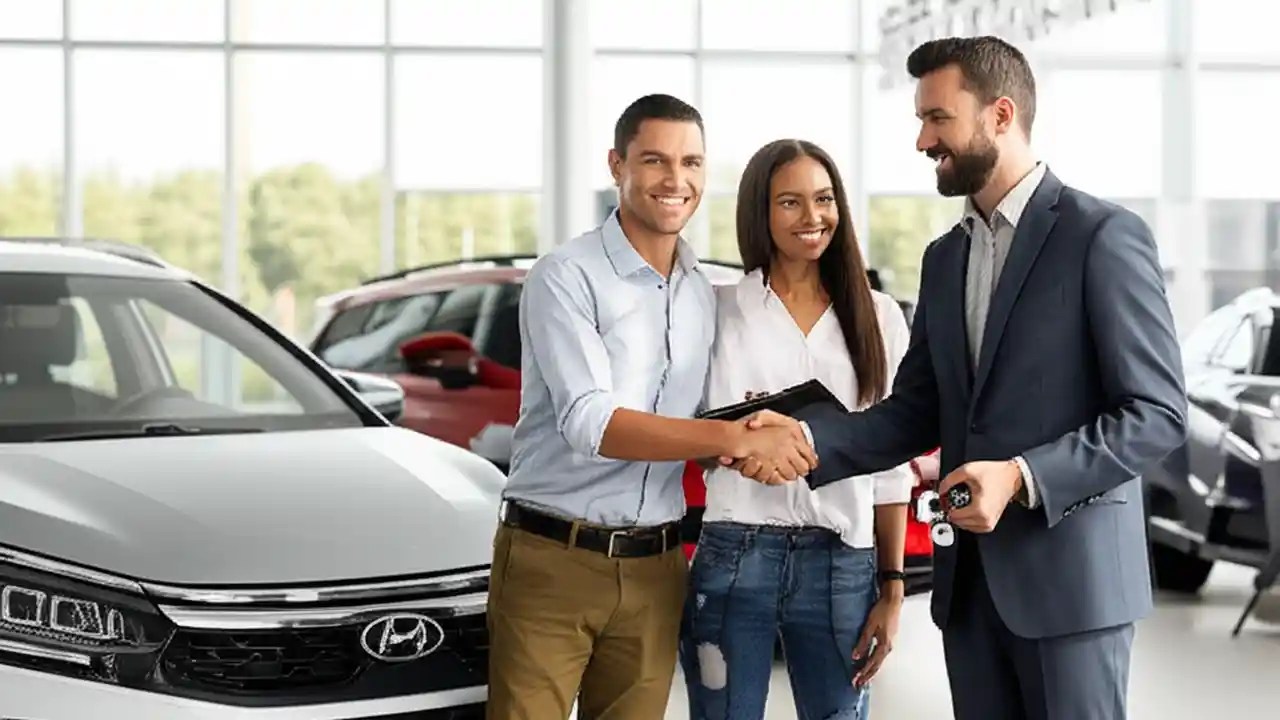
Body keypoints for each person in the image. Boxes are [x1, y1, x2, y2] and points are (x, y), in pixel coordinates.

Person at [741, 37, 1188, 719]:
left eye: (938, 118)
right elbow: (917, 410)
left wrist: (1021, 477)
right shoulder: (944, 258)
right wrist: (807, 438)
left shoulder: (1102, 236)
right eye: (921, 120)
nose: (922, 139)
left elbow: (1157, 414)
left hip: (1072, 588)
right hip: (971, 592)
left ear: (1000, 115)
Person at [486, 94, 817, 720]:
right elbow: (591, 422)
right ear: (617, 165)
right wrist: (736, 441)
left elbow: (703, 423)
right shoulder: (565, 276)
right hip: (553, 561)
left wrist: (769, 435)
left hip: (658, 567)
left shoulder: (700, 290)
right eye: (655, 160)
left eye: (691, 162)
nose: (676, 179)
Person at [679, 139, 913, 720]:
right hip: (734, 552)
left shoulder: (879, 316)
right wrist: (738, 444)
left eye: (824, 199)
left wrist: (892, 586)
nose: (812, 218)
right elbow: (692, 433)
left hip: (843, 562)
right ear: (760, 211)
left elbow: (889, 467)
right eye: (790, 202)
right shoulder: (717, 309)